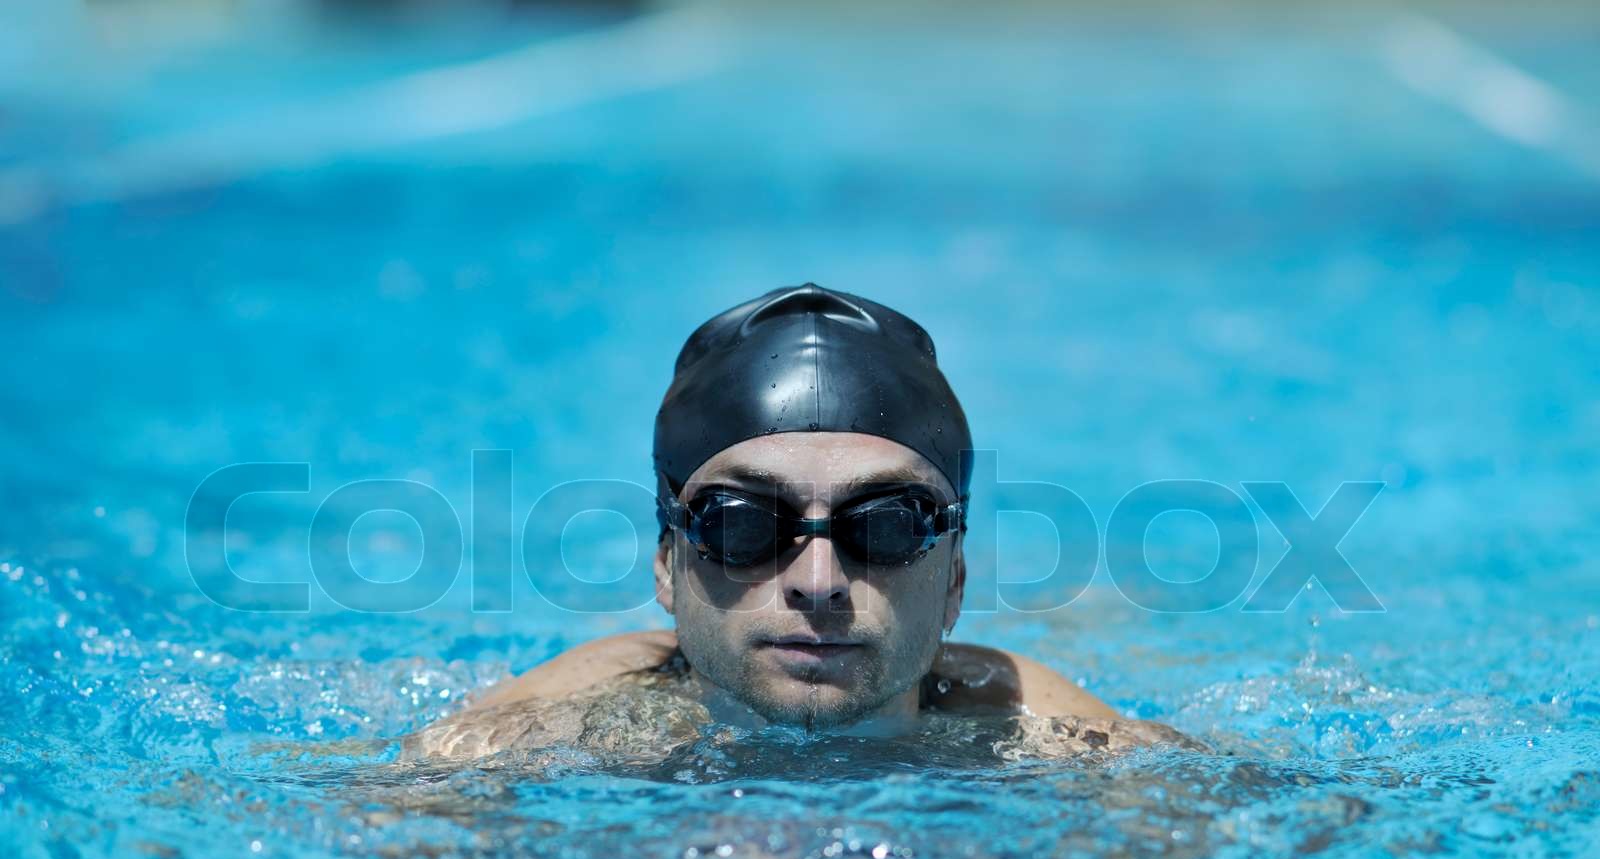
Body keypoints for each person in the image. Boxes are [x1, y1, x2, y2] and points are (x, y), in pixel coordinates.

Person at [405, 284, 1194, 762]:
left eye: (886, 525)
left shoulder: (1056, 744)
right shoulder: (530, 737)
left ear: (953, 580)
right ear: (665, 566)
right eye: (742, 524)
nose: (818, 583)